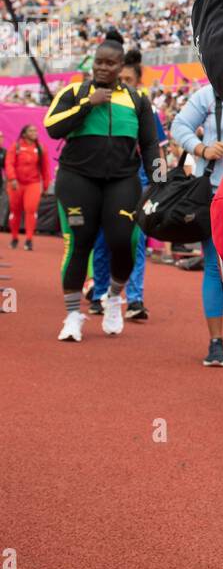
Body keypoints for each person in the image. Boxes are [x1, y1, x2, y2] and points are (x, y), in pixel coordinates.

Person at [44, 29, 161, 341]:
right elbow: (52, 127)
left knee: (123, 241)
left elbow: (150, 145)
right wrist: (87, 104)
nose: (103, 68)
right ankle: (72, 315)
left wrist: (161, 181)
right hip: (77, 178)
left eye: (110, 63)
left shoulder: (137, 99)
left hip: (122, 180)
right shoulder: (74, 91)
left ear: (120, 66)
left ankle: (113, 298)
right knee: (79, 243)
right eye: (99, 62)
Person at [170, 80, 223, 367]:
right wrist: (201, 149)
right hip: (215, 194)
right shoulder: (206, 95)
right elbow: (179, 126)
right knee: (215, 271)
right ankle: (216, 342)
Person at [88, 47, 166, 319]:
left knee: (136, 241)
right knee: (102, 240)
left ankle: (134, 299)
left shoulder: (144, 107)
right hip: (105, 184)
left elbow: (156, 149)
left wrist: (158, 183)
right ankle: (99, 293)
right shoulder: (99, 105)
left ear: (138, 83)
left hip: (138, 184)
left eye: (129, 80)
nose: (123, 83)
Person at [5, 123, 50, 250]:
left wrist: (45, 186)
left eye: (35, 130)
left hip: (33, 184)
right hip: (16, 184)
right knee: (15, 212)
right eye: (31, 131)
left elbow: (45, 169)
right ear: (24, 134)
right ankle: (14, 238)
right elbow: (9, 164)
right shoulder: (16, 146)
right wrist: (12, 179)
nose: (35, 133)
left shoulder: (41, 148)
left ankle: (29, 239)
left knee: (31, 210)